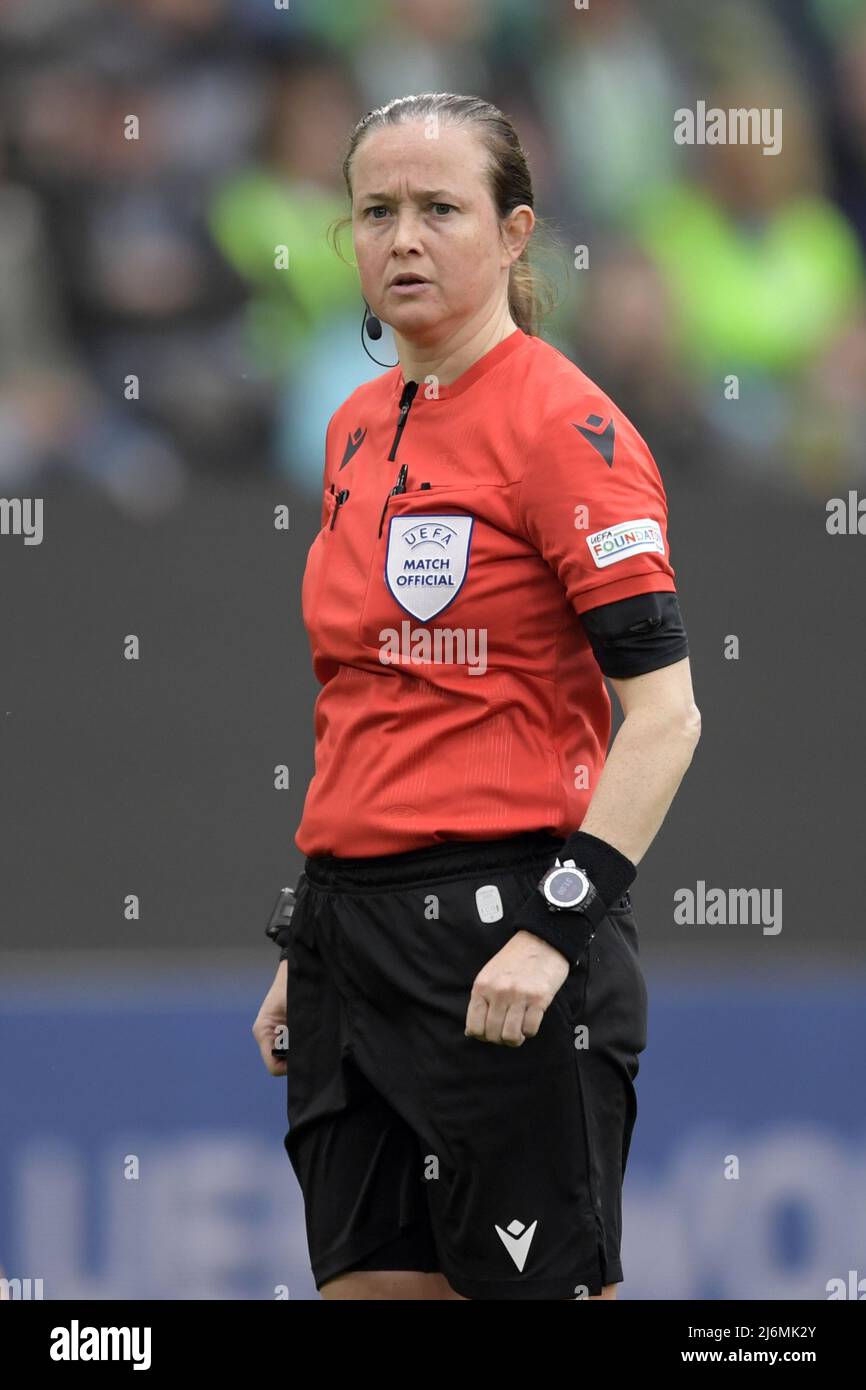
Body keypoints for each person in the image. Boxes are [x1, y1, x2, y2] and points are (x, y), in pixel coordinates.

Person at [252, 92, 701, 1302]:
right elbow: (365, 700)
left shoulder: (565, 426)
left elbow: (662, 715)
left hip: (506, 933)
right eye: (375, 211)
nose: (401, 238)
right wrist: (311, 933)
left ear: (513, 233)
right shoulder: (350, 427)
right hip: (353, 943)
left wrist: (553, 931)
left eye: (438, 209)